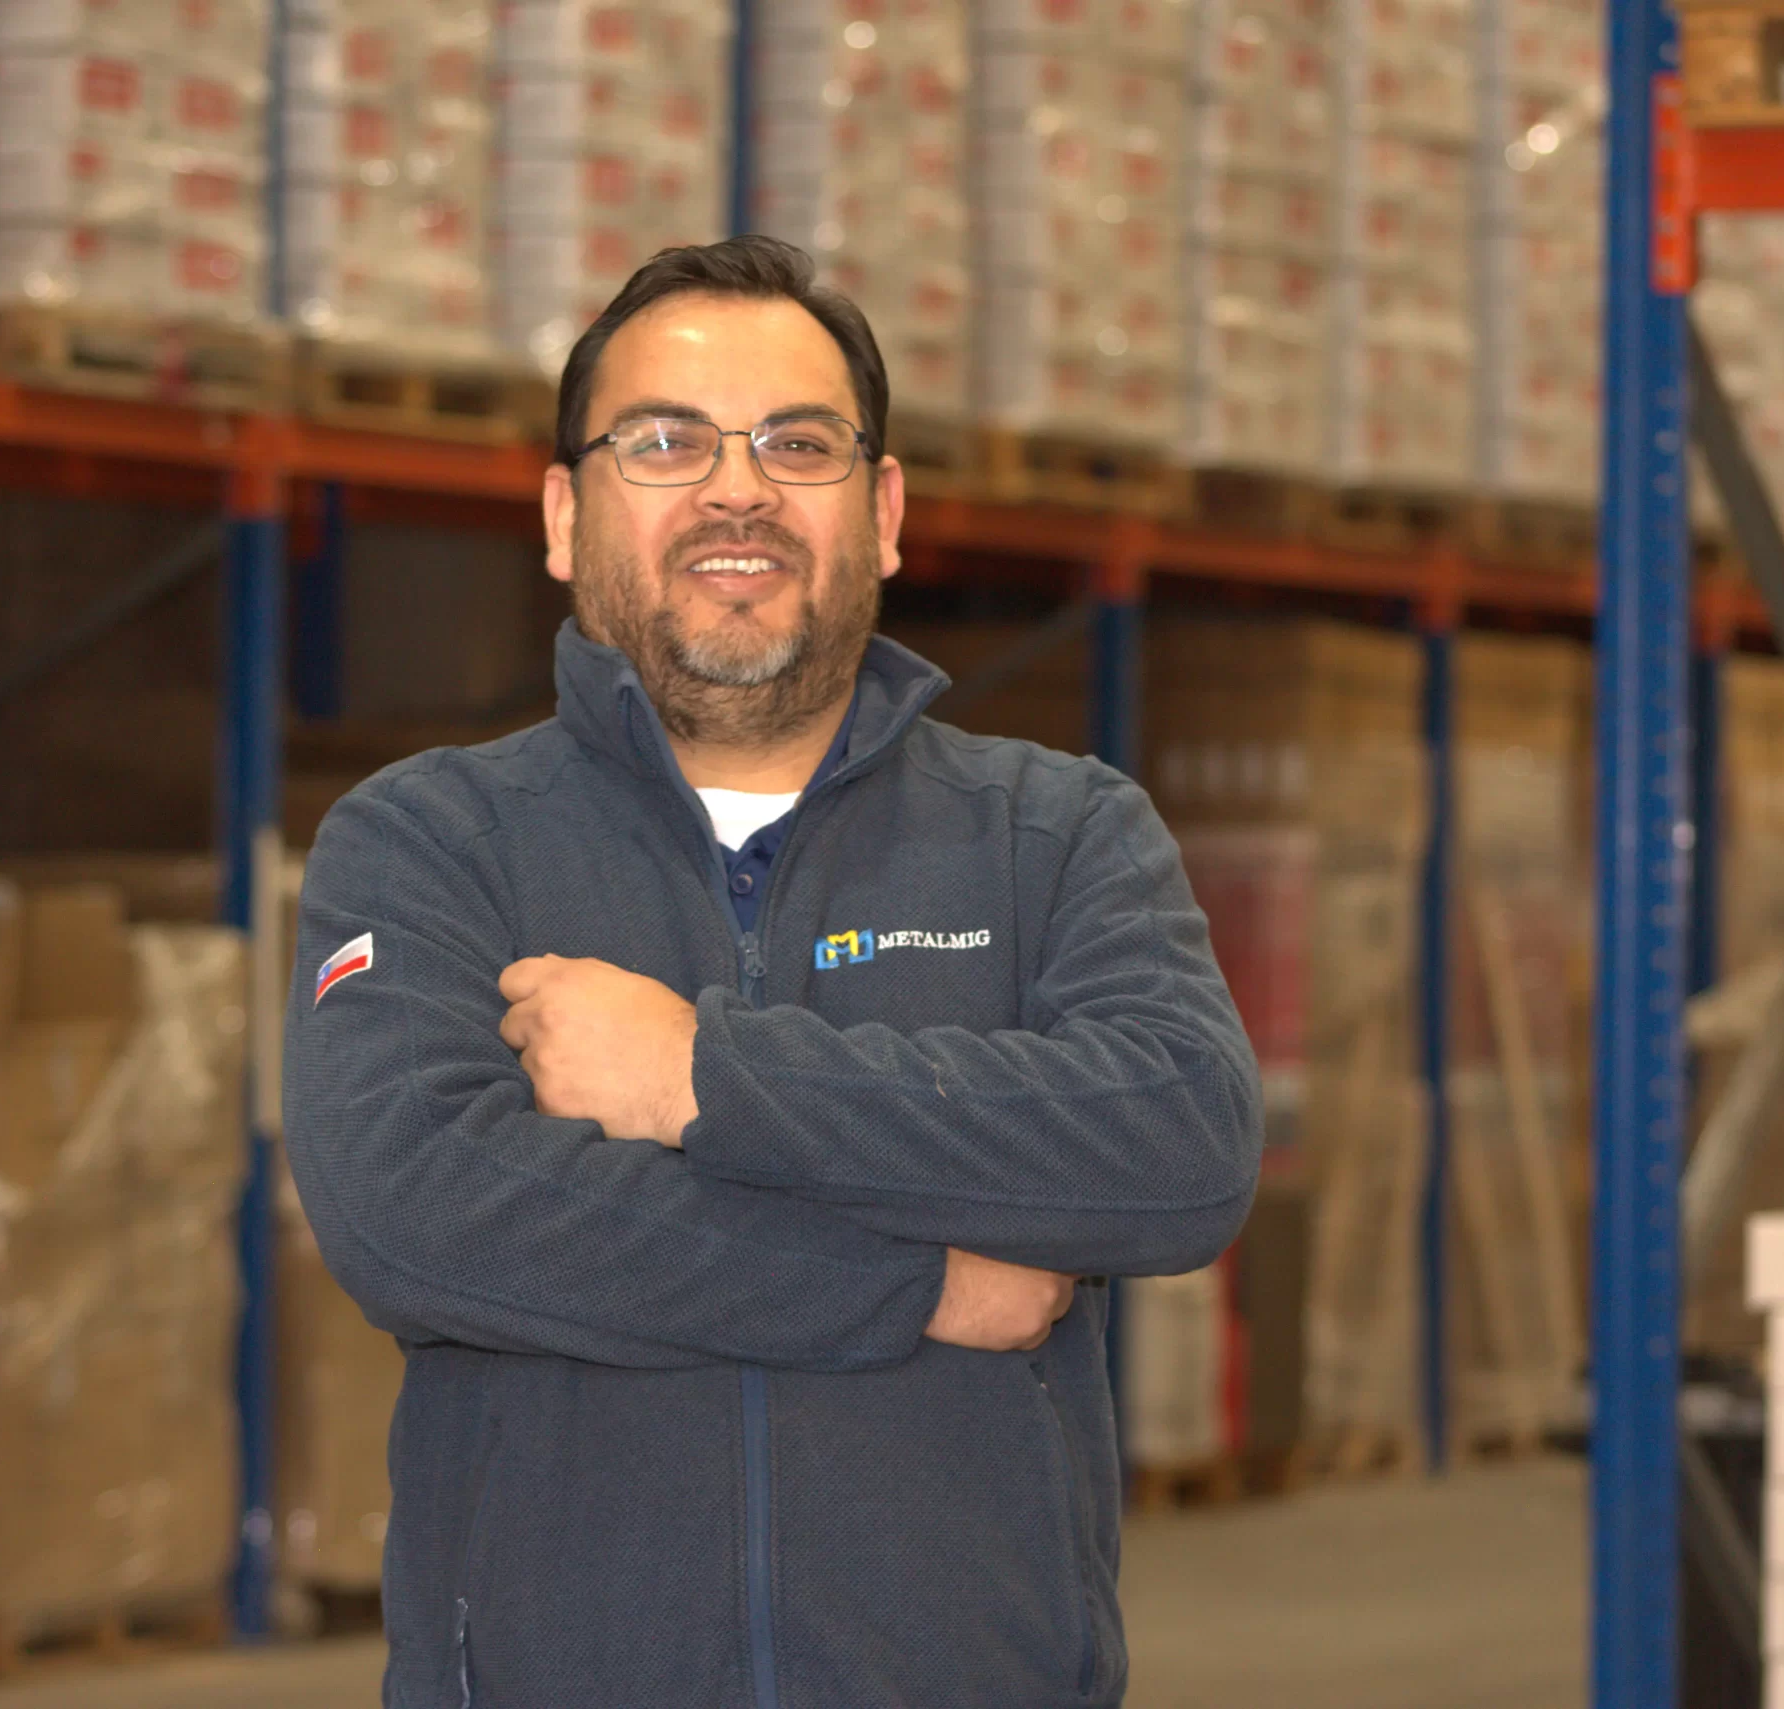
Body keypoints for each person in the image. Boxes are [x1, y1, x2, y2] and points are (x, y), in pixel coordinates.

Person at [282, 234, 1263, 1709]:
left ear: (884, 515)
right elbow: (418, 1216)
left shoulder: (1053, 836)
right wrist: (914, 1283)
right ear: (564, 515)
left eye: (798, 444)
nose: (736, 490)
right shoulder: (432, 842)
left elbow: (1179, 1143)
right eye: (664, 442)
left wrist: (703, 1076)